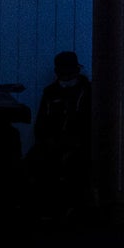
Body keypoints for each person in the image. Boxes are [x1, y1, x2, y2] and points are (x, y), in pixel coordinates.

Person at [26, 50, 92, 222]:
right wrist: (49, 142)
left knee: (73, 164)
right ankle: (43, 208)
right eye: (63, 73)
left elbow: (90, 124)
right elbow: (40, 125)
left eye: (70, 73)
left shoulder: (87, 91)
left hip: (79, 145)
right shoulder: (50, 93)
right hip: (52, 145)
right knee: (34, 161)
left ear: (77, 70)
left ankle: (70, 208)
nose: (67, 77)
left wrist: (74, 143)